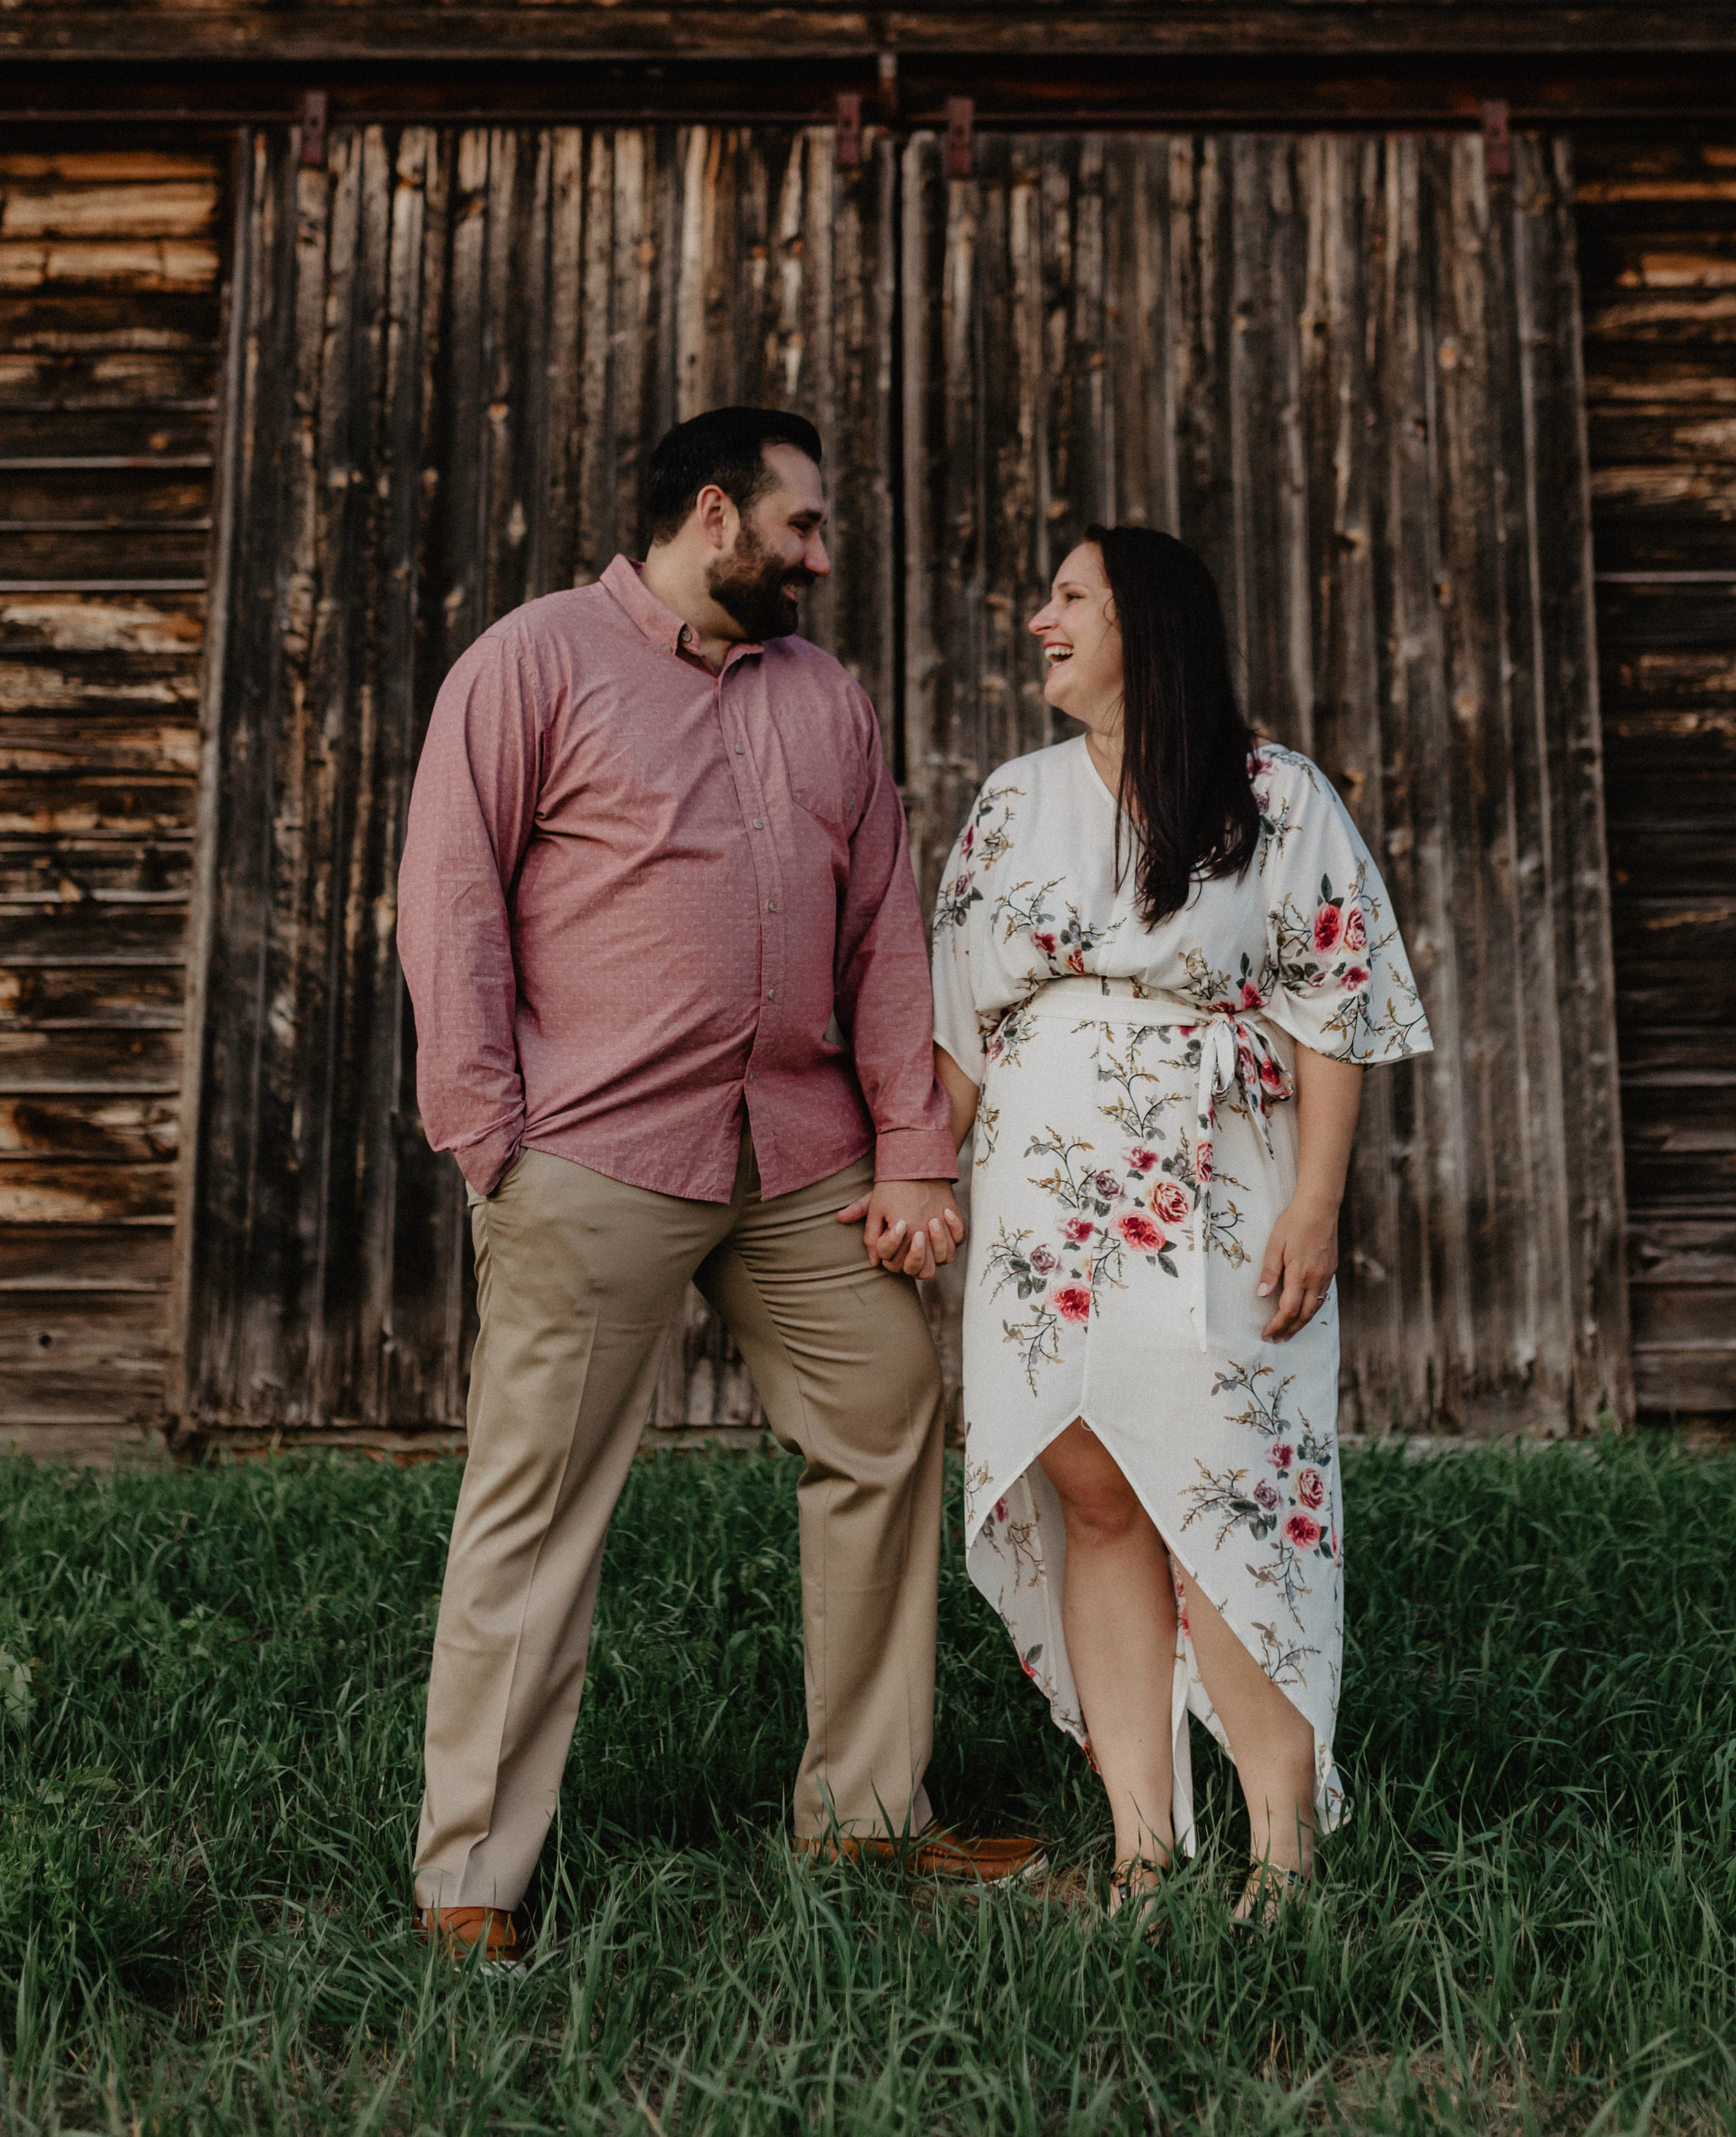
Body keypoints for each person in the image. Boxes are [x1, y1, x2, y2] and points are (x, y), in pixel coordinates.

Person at [398, 405, 1039, 1963]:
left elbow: (886, 925)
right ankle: (471, 1878)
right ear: (712, 516)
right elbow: (450, 897)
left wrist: (908, 1147)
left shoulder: (828, 699)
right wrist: (494, 1140)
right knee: (534, 1501)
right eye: (802, 527)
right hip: (594, 1154)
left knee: (886, 1417)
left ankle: (866, 1816)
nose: (822, 558)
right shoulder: (533, 662)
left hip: (800, 1160)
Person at [930, 526, 1431, 1918]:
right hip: (1044, 1208)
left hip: (1216, 1187)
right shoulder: (1010, 802)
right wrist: (917, 1178)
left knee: (1229, 1492)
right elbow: (957, 1032)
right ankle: (1143, 1845)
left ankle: (1281, 1845)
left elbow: (1334, 1005)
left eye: (1069, 598)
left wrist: (1319, 1203)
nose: (1041, 620)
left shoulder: (1273, 794)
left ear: (1142, 624)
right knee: (1095, 1495)